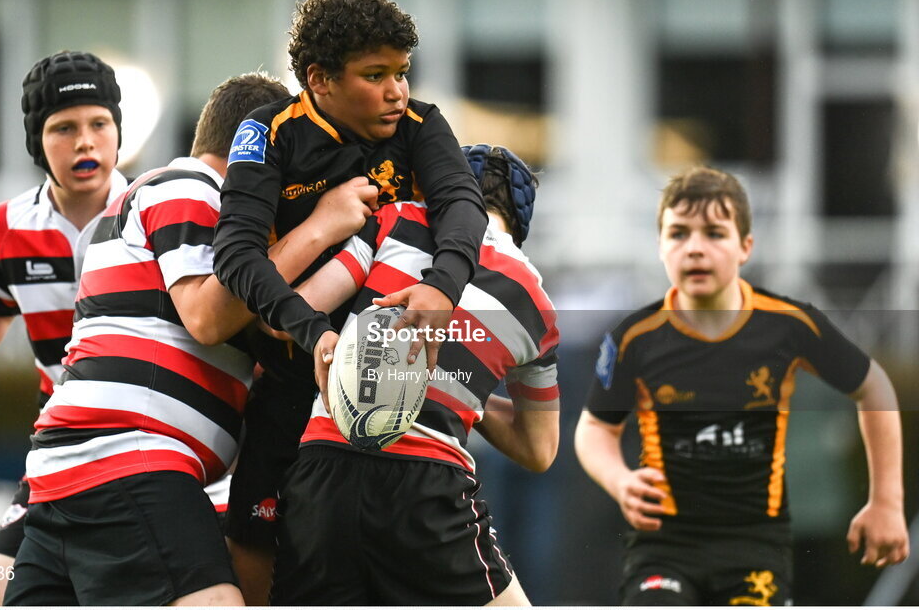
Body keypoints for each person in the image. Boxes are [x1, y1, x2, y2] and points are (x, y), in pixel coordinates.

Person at [1, 72, 378, 606]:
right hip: (130, 457)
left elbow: (268, 317)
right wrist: (321, 224)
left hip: (69, 477)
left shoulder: (165, 201)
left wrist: (361, 251)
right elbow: (207, 315)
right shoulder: (189, 186)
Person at [212, 0, 487, 603]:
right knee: (256, 552)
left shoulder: (420, 124)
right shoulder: (268, 132)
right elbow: (234, 255)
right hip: (289, 381)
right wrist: (313, 331)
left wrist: (442, 288)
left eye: (403, 72)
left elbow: (462, 203)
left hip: (390, 385)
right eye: (376, 74)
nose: (398, 91)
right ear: (321, 79)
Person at [574, 166, 910, 605]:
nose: (695, 249)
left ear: (745, 247)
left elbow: (874, 388)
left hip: (754, 548)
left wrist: (886, 502)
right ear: (660, 247)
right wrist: (619, 479)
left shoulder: (788, 326)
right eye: (678, 234)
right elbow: (594, 429)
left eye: (714, 233)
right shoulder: (634, 338)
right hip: (665, 547)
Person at [266, 144, 559, 605]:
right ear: (519, 227)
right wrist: (461, 391)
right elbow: (538, 449)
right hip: (426, 486)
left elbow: (287, 316)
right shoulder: (535, 301)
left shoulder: (396, 220)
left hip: (322, 471)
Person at [0, 50, 129, 606]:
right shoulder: (8, 226)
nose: (85, 142)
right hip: (58, 449)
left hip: (151, 447)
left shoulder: (153, 212)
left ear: (118, 132)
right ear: (35, 142)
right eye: (63, 128)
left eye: (98, 124)